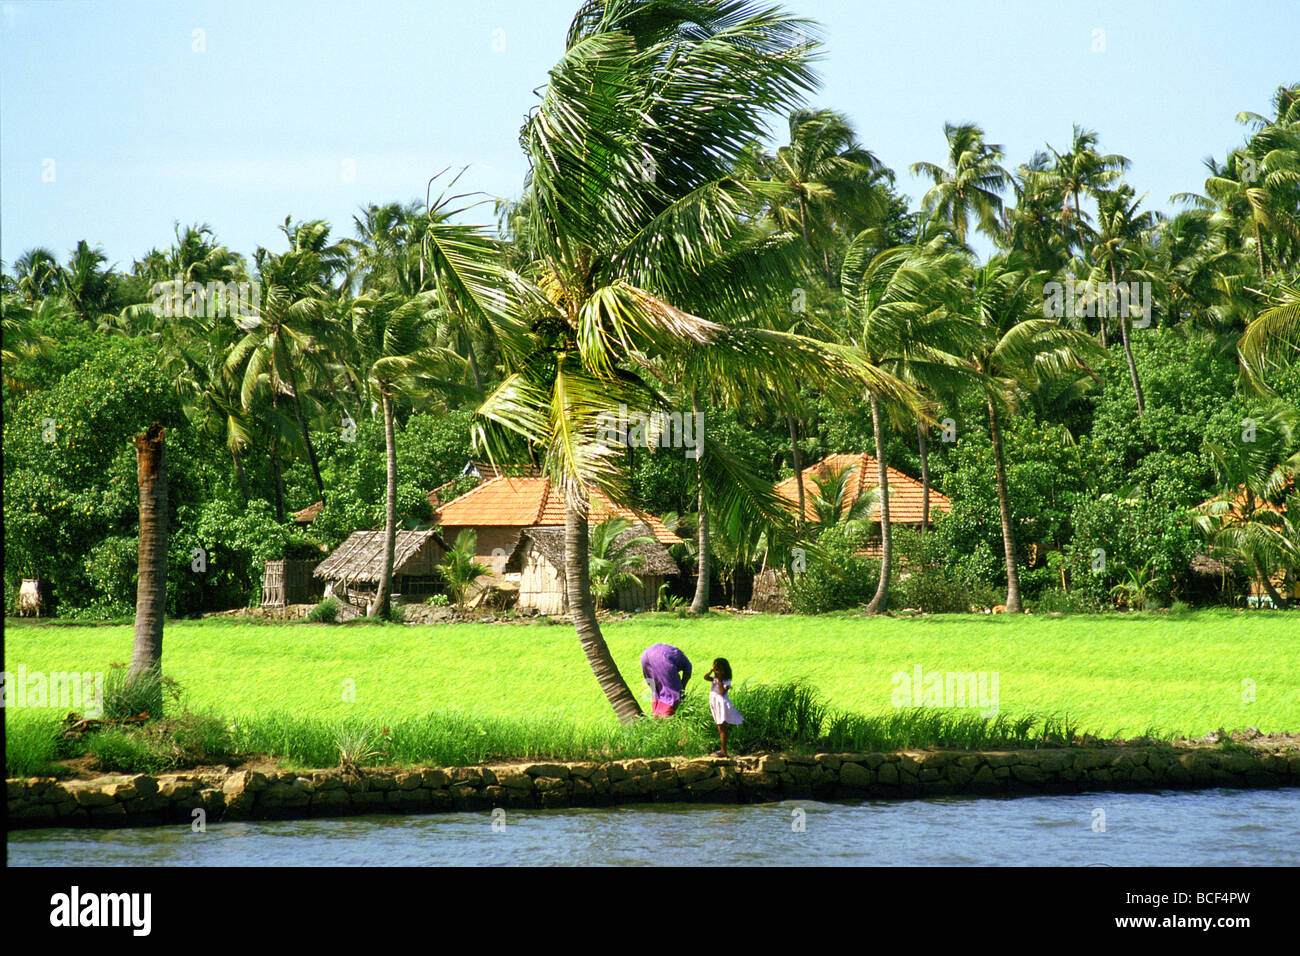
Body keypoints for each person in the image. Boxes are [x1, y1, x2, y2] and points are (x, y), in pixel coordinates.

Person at [640, 643, 692, 717]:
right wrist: (682, 688)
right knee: (673, 695)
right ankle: (666, 718)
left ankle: (656, 715)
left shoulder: (676, 653)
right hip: (663, 658)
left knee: (655, 690)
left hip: (645, 656)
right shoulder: (686, 663)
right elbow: (687, 671)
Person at [704, 658, 743, 756]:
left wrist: (720, 679)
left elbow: (721, 692)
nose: (717, 671)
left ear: (724, 670)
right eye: (716, 668)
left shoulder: (726, 681)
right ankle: (723, 750)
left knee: (722, 727)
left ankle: (723, 751)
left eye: (719, 669)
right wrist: (711, 671)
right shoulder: (715, 678)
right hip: (715, 703)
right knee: (720, 727)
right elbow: (705, 677)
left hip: (721, 705)